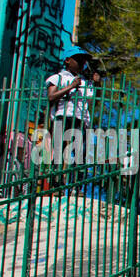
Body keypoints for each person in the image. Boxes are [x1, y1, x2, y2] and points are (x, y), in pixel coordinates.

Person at [45, 45, 102, 201]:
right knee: (59, 151)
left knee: (80, 153)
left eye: (83, 61)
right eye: (78, 60)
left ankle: (77, 187)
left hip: (80, 119)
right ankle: (57, 185)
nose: (82, 63)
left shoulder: (84, 82)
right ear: (68, 60)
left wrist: (97, 84)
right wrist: (71, 86)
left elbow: (95, 100)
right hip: (62, 116)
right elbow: (51, 97)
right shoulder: (58, 77)